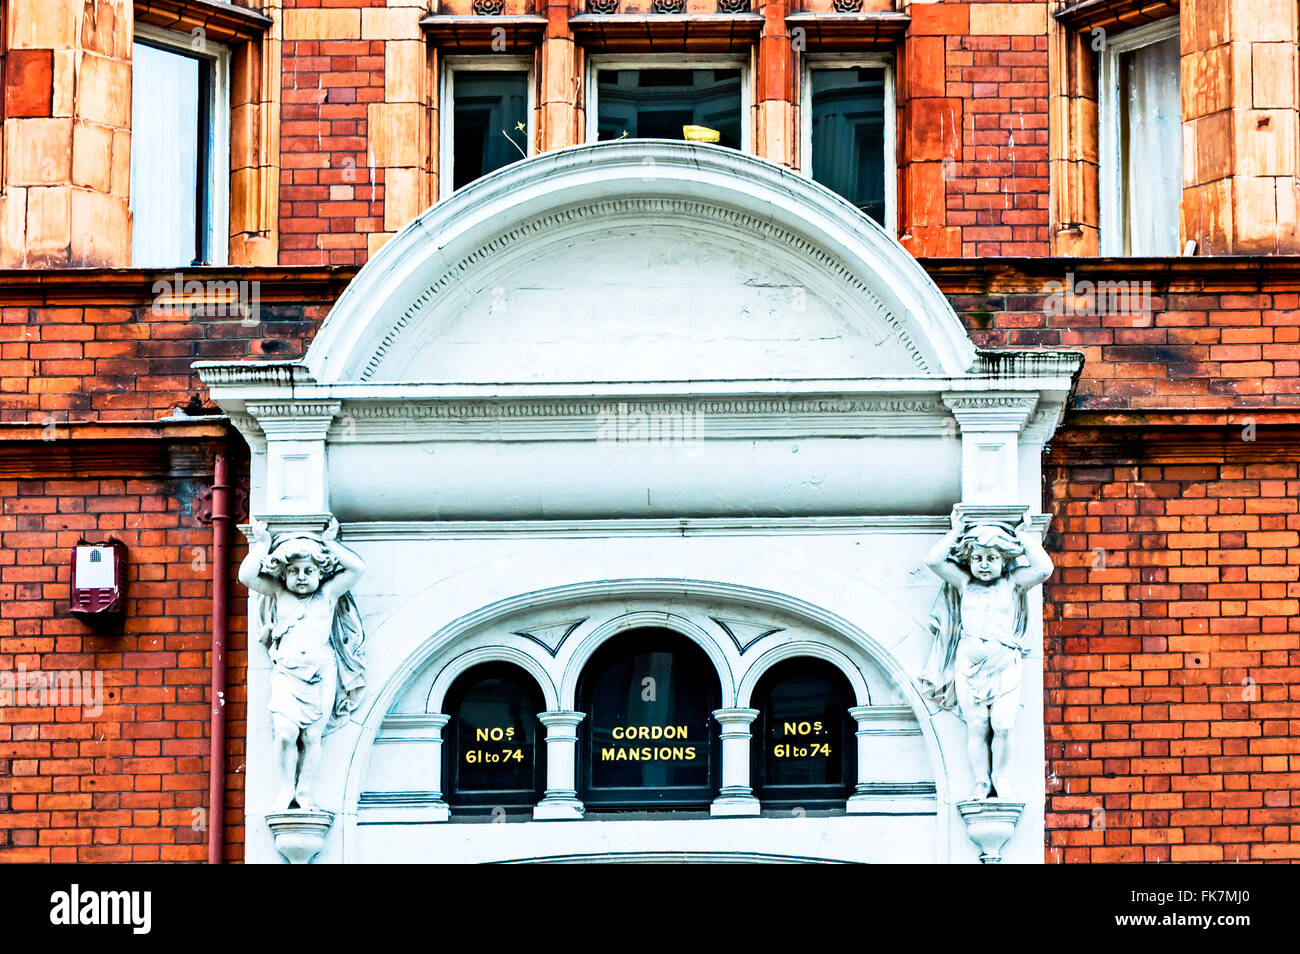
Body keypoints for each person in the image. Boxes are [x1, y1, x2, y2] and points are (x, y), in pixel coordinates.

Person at [921, 511, 1053, 801]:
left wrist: (1020, 534)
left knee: (1003, 725)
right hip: (969, 662)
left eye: (991, 558)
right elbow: (933, 561)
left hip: (1003, 660)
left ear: (1003, 559)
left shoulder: (1012, 584)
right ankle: (981, 781)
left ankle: (1000, 778)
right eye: (977, 558)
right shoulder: (965, 584)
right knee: (977, 725)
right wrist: (956, 531)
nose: (983, 565)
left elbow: (1044, 568)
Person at [238, 517, 366, 811]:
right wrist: (262, 545)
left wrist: (331, 543)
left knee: (311, 736)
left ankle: (304, 790)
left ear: (320, 572)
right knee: (285, 734)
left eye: (309, 570)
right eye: (293, 571)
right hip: (286, 671)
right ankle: (286, 789)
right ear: (283, 574)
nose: (301, 576)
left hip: (321, 671)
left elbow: (357, 568)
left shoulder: (327, 594)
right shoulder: (279, 593)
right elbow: (247, 575)